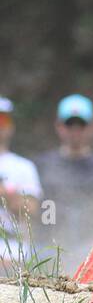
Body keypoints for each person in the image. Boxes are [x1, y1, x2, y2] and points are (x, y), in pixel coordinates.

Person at [32, 95, 93, 268]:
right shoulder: (40, 165)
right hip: (46, 248)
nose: (75, 131)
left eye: (81, 125)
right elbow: (31, 208)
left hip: (90, 248)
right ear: (59, 126)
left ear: (91, 127)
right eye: (69, 125)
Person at [0, 97, 42, 267]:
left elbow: (31, 210)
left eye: (3, 120)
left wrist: (4, 193)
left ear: (11, 126)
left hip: (14, 253)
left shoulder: (24, 167)